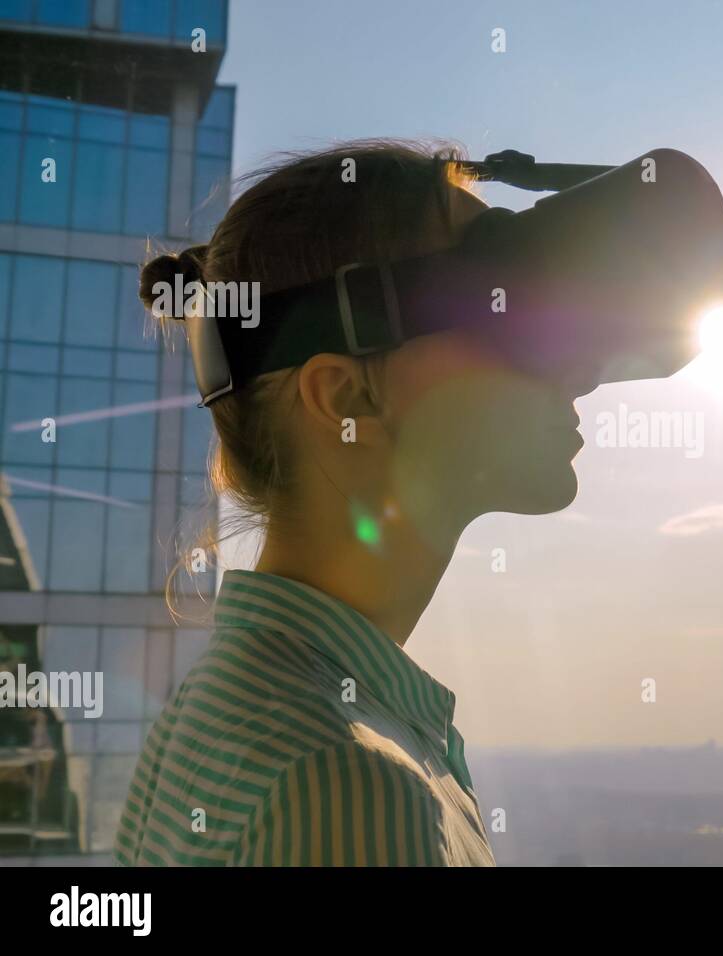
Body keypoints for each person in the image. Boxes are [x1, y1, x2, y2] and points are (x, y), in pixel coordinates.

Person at [114, 140, 597, 866]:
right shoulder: (352, 787)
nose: (570, 358)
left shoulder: (217, 707)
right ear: (346, 397)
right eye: (495, 295)